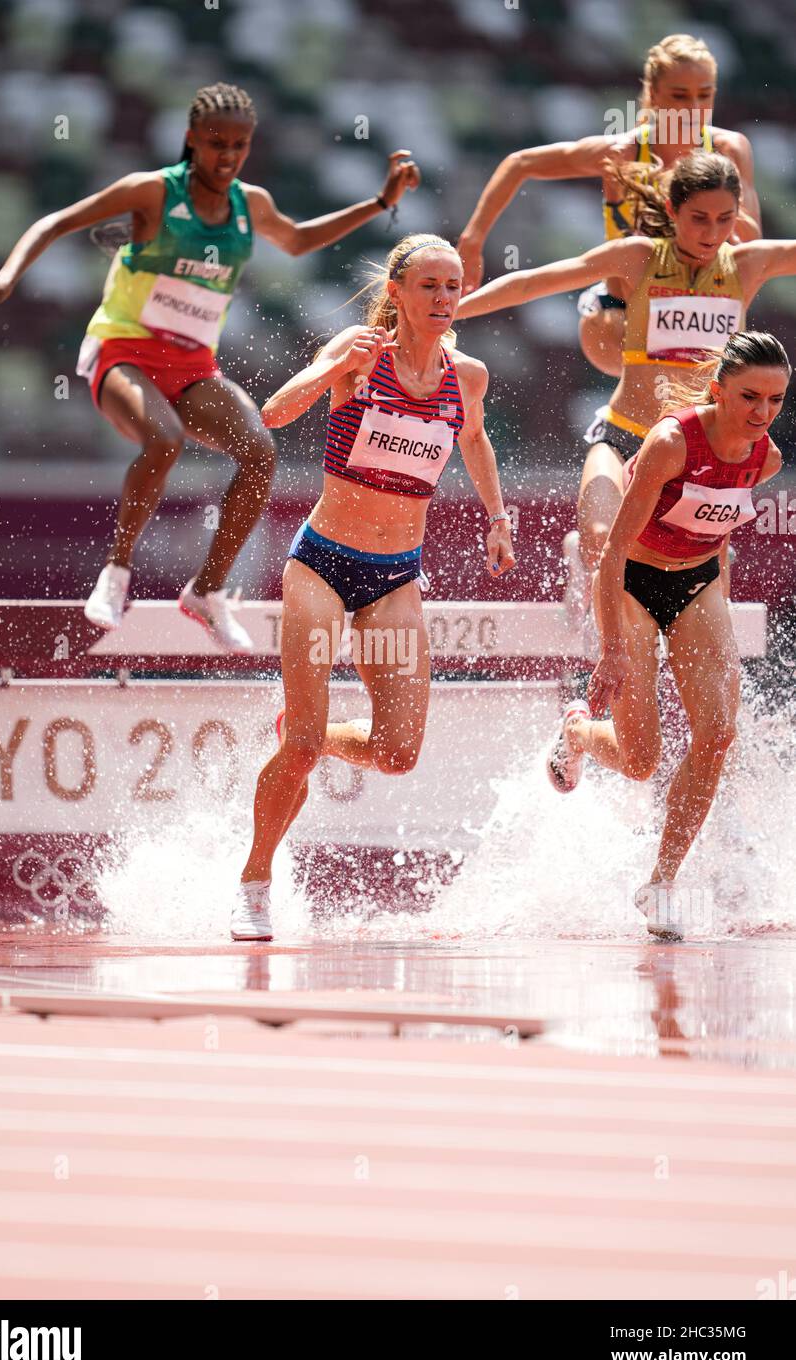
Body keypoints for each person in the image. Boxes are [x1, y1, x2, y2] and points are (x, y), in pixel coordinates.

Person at [0, 82, 420, 650]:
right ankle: (117, 572)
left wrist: (378, 203)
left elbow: (298, 241)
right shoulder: (152, 193)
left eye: (239, 146)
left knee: (260, 451)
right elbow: (55, 223)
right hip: (123, 350)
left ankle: (207, 591)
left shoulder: (252, 205)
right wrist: (6, 277)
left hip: (192, 364)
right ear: (191, 141)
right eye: (215, 144)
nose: (227, 157)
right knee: (165, 438)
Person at [229, 234, 515, 941]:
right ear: (398, 292)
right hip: (323, 563)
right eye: (429, 286)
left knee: (397, 753)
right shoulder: (362, 356)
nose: (444, 299)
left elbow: (473, 440)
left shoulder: (467, 377)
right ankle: (256, 880)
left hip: (394, 576)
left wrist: (498, 516)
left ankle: (313, 733)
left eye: (453, 287)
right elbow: (273, 412)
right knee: (296, 751)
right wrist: (330, 370)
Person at [456, 152, 796, 629]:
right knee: (600, 535)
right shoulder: (638, 257)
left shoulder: (748, 264)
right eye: (698, 218)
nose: (711, 232)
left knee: (704, 576)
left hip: (697, 452)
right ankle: (585, 578)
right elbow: (538, 281)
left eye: (724, 219)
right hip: (625, 433)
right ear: (673, 211)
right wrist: (452, 311)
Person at [545, 331, 788, 938]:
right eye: (749, 397)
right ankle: (577, 730)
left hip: (698, 584)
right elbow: (612, 556)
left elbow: (721, 527)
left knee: (717, 732)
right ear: (718, 390)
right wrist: (613, 653)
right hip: (631, 584)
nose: (762, 414)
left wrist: (717, 612)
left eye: (776, 401)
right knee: (640, 760)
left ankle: (662, 883)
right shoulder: (672, 442)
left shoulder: (768, 458)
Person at [457, 33, 761, 378]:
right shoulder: (622, 154)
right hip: (619, 315)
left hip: (699, 310)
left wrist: (719, 218)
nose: (693, 108)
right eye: (680, 96)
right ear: (653, 94)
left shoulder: (729, 150)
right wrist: (473, 239)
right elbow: (520, 163)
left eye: (704, 95)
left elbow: (752, 248)